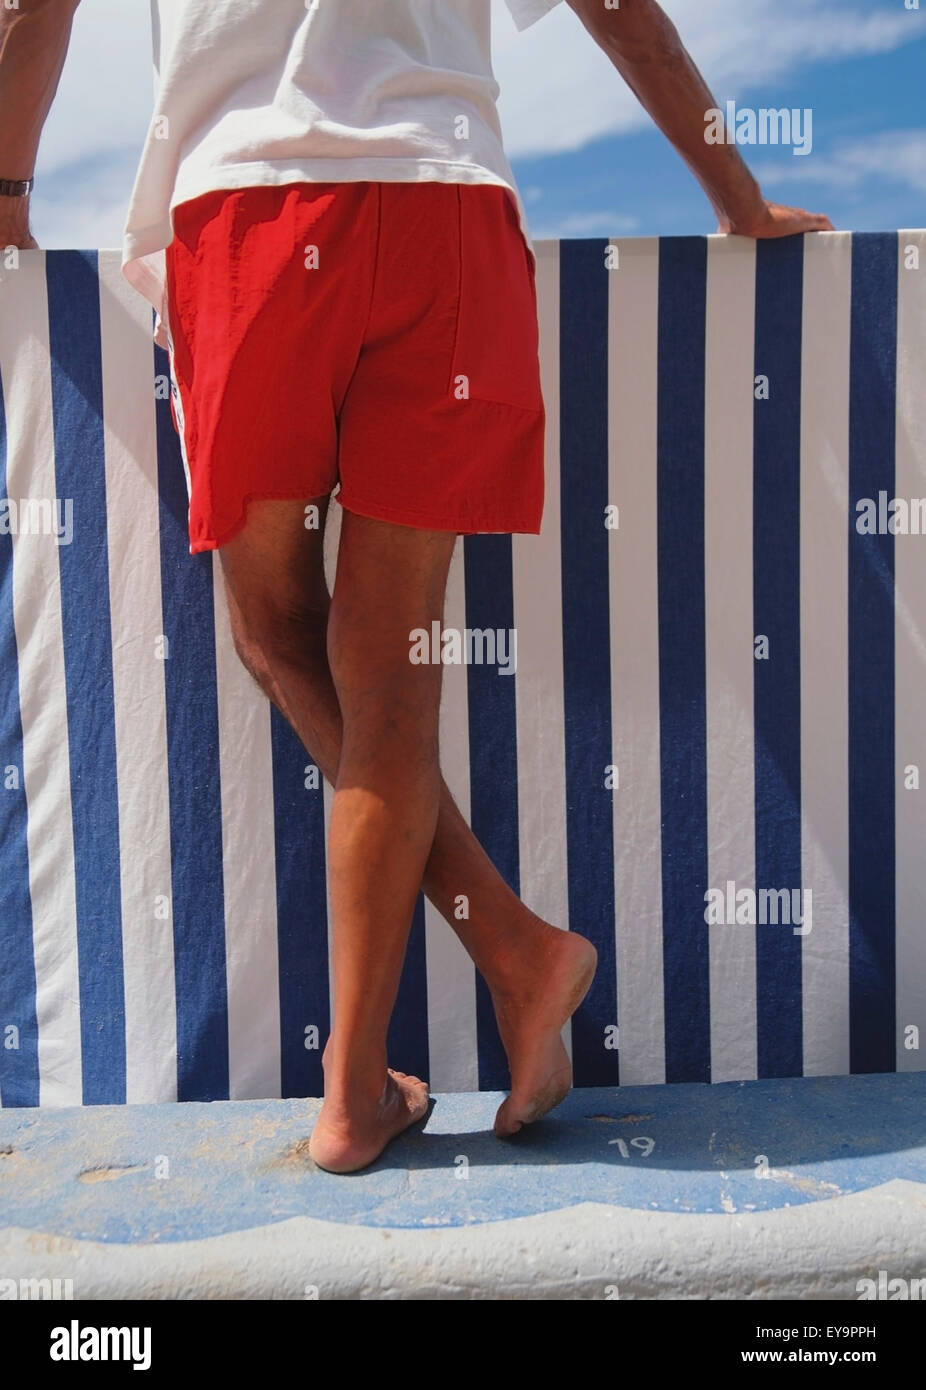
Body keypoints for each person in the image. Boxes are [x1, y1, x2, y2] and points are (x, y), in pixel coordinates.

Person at [0, 0, 831, 1173]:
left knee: (281, 636)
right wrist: (735, 198)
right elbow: (621, 14)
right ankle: (407, 1045)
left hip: (247, 218)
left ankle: (484, 981)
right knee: (390, 668)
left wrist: (6, 200)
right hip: (446, 208)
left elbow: (37, 8)